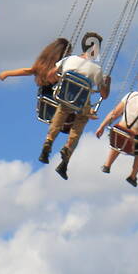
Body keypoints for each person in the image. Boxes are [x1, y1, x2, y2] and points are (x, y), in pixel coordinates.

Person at [38, 33, 112, 181]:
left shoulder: (69, 60)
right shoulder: (96, 70)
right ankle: (67, 153)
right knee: (80, 122)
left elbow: (50, 75)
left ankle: (48, 142)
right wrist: (107, 83)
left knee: (61, 112)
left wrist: (62, 78)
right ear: (95, 49)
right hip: (81, 104)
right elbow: (104, 95)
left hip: (65, 97)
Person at [96, 70, 138, 186]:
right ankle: (133, 175)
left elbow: (114, 113)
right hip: (133, 142)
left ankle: (107, 164)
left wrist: (102, 126)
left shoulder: (130, 95)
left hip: (117, 136)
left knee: (120, 136)